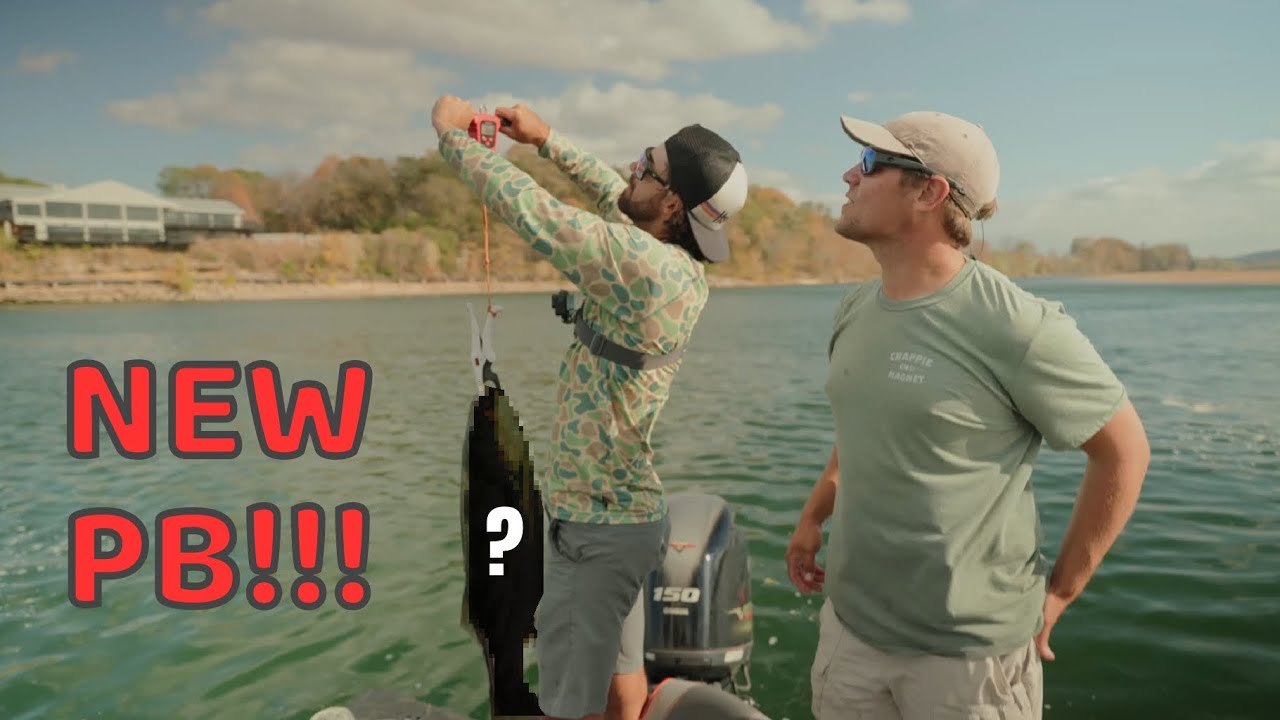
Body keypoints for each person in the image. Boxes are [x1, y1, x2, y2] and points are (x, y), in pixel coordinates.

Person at [785, 110, 1151, 720]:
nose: (849, 174)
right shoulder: (854, 309)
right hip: (849, 633)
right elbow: (868, 424)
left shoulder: (1017, 326)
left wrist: (1058, 593)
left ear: (930, 192)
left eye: (872, 164)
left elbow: (1124, 452)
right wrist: (813, 513)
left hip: (969, 663)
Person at [430, 96, 749, 720]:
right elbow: (614, 193)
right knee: (621, 671)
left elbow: (537, 215)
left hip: (595, 530)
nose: (631, 169)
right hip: (629, 520)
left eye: (647, 167)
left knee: (565, 700)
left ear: (673, 204)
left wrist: (453, 139)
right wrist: (545, 138)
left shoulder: (644, 267)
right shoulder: (674, 260)